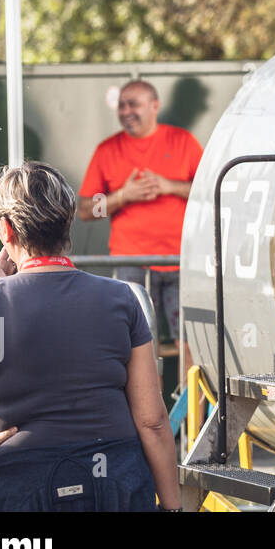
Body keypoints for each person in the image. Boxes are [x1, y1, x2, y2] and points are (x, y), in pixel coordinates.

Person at [0, 161, 181, 511]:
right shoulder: (122, 299)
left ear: (6, 231)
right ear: (67, 223)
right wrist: (173, 507)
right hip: (115, 478)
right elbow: (152, 422)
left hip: (22, 484)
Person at [77, 80, 201, 378]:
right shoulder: (107, 150)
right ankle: (148, 419)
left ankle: (193, 422)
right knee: (137, 347)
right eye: (121, 105)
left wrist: (169, 186)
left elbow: (209, 191)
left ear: (154, 106)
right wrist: (123, 196)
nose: (126, 111)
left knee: (193, 345)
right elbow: (84, 210)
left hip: (181, 263)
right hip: (131, 265)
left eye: (133, 104)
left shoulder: (182, 141)